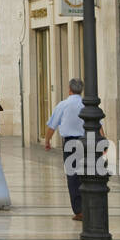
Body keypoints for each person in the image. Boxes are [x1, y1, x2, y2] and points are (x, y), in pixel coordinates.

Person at [44, 79, 89, 221]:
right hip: (86, 142)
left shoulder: (63, 105)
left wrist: (47, 141)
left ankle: (79, 210)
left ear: (69, 89)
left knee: (73, 177)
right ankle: (88, 207)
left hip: (70, 143)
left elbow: (52, 126)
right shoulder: (87, 104)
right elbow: (98, 124)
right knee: (87, 175)